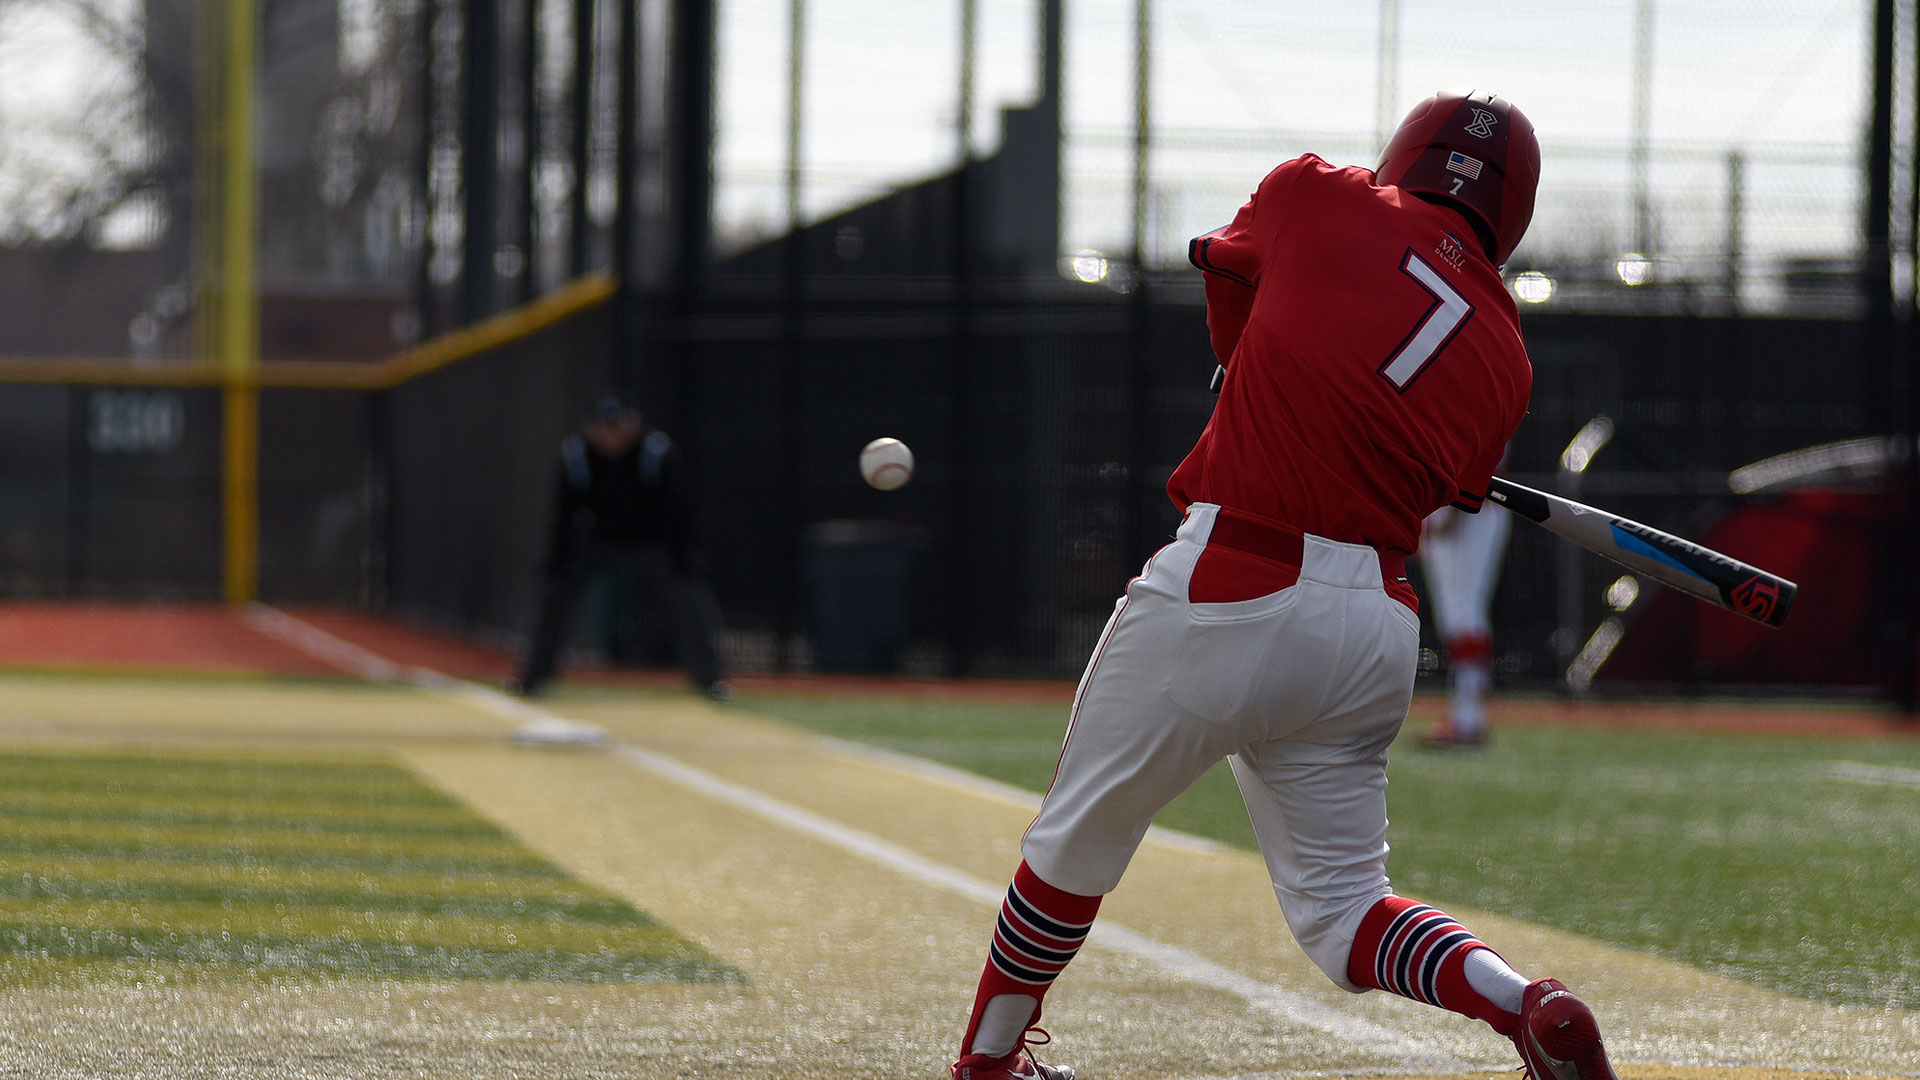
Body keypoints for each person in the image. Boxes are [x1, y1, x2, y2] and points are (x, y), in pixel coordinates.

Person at [949, 92, 1619, 1080]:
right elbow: (1449, 487)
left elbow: (1231, 282)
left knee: (1073, 844)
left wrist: (1249, 364)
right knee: (1349, 913)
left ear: (1408, 152)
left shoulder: (1315, 194)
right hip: (1371, 630)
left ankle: (990, 1062)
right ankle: (1525, 1001)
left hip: (1232, 574)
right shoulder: (1505, 355)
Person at [513, 395, 730, 701]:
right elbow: (564, 517)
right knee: (553, 592)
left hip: (649, 539)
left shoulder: (655, 454)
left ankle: (710, 680)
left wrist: (684, 558)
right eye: (605, 427)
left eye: (617, 426)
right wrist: (556, 560)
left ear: (633, 425)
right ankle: (533, 676)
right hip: (599, 538)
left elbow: (677, 513)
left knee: (688, 595)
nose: (611, 434)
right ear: (593, 429)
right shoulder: (577, 456)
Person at [1415, 459, 1514, 748]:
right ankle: (1467, 715)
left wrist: (1453, 509)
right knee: (1456, 617)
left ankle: (1469, 718)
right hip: (1449, 505)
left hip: (1470, 504)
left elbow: (1482, 451)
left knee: (1464, 614)